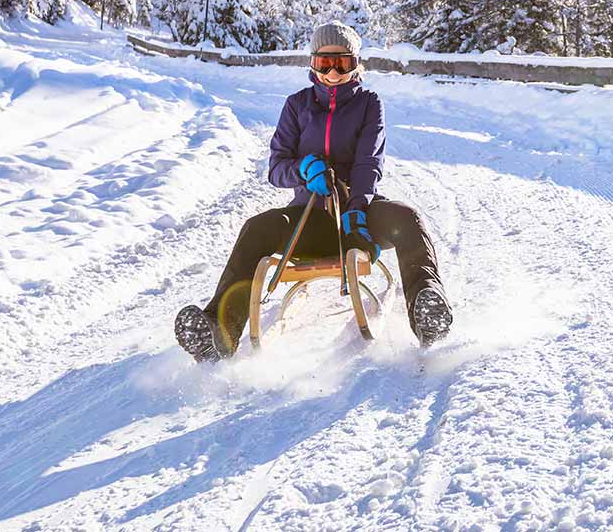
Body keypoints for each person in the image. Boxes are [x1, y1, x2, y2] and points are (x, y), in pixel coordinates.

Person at [174, 21, 453, 362]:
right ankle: (218, 330)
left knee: (407, 218)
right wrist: (304, 171)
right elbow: (276, 169)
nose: (334, 73)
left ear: (356, 64)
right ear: (312, 64)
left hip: (360, 218)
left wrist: (356, 210)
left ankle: (427, 307)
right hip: (310, 218)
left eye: (343, 63)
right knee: (256, 228)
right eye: (325, 64)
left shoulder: (369, 104)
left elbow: (369, 164)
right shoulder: (297, 106)